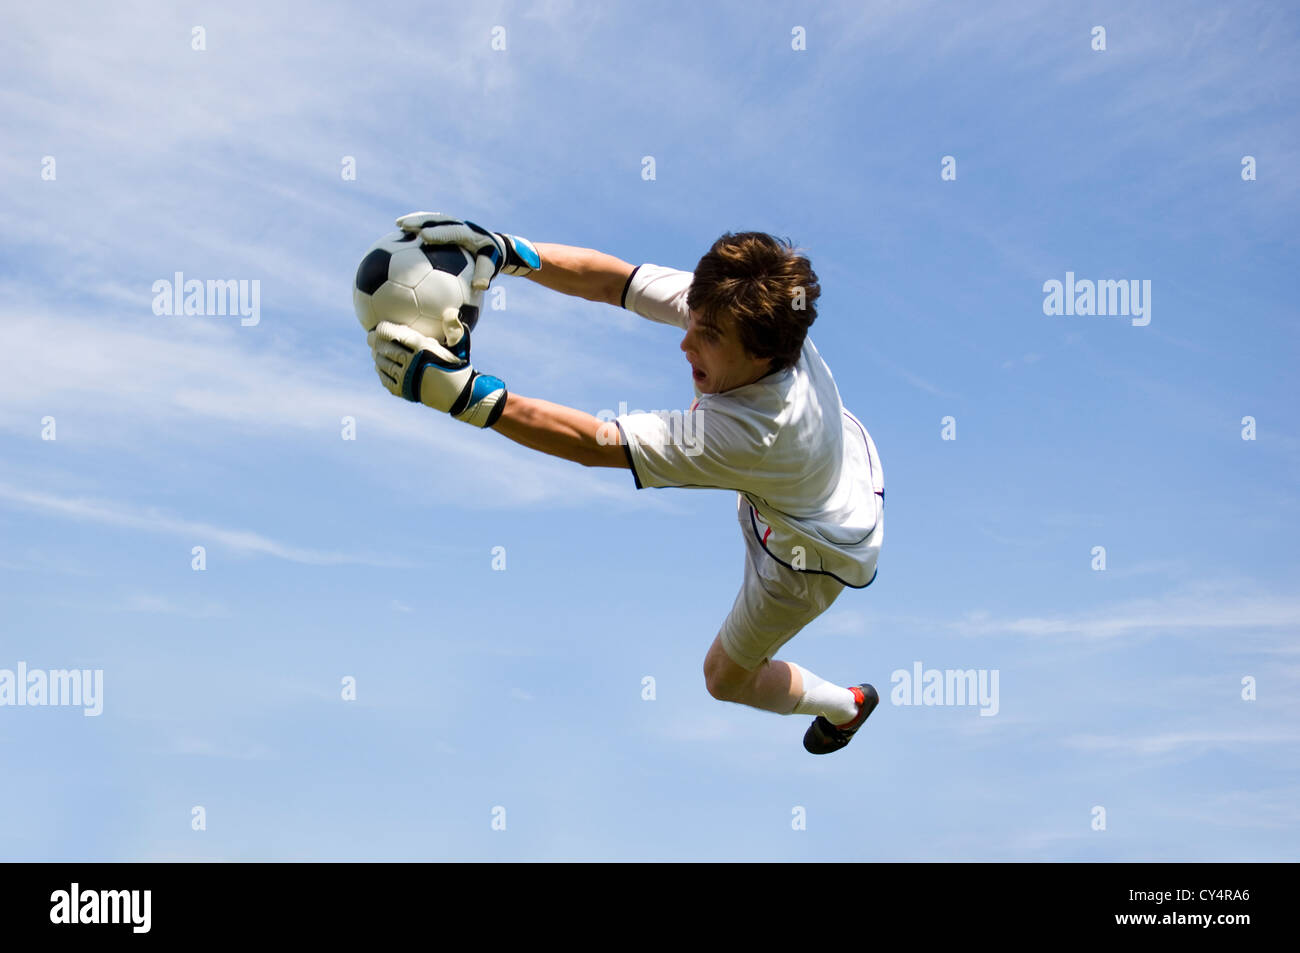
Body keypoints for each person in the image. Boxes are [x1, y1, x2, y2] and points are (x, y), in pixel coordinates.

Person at [367, 214, 885, 754]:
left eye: (707, 339)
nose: (686, 343)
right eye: (693, 321)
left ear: (762, 355)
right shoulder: (749, 307)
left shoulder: (753, 436)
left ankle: (846, 706)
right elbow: (614, 280)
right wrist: (504, 250)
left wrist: (460, 394)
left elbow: (595, 444)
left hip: (812, 552)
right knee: (712, 422)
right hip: (830, 459)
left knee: (724, 679)